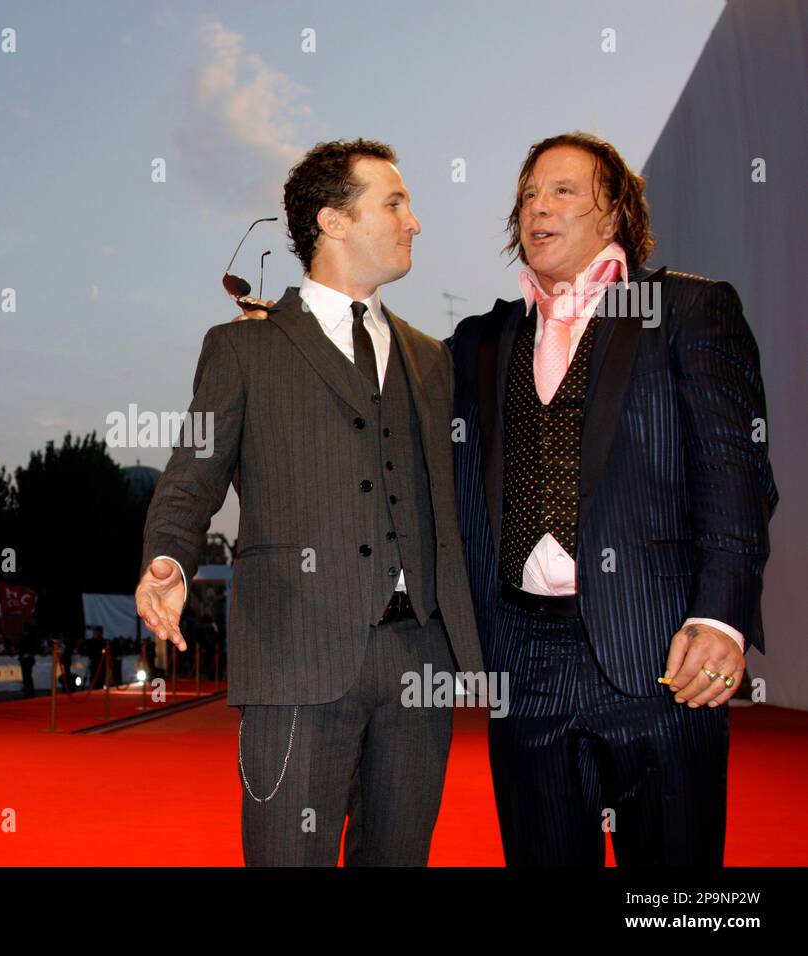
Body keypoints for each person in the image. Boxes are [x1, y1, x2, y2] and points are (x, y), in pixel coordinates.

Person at [136, 138, 482, 866]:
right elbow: (193, 471)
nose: (413, 221)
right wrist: (168, 556)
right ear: (333, 220)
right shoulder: (242, 350)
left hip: (421, 655)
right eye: (394, 203)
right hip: (296, 650)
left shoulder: (431, 357)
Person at [449, 131, 777, 866]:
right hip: (521, 661)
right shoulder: (479, 341)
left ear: (616, 212)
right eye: (529, 194)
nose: (539, 205)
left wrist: (720, 617)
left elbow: (738, 475)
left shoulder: (688, 309)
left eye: (564, 190)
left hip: (661, 654)